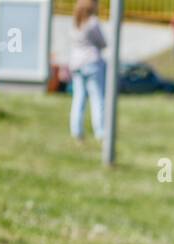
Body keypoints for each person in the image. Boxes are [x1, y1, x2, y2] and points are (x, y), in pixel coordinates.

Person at [68, 0, 107, 141]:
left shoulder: (75, 23)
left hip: (76, 64)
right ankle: (101, 132)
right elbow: (103, 43)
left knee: (78, 99)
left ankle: (76, 131)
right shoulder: (93, 22)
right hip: (92, 63)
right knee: (97, 98)